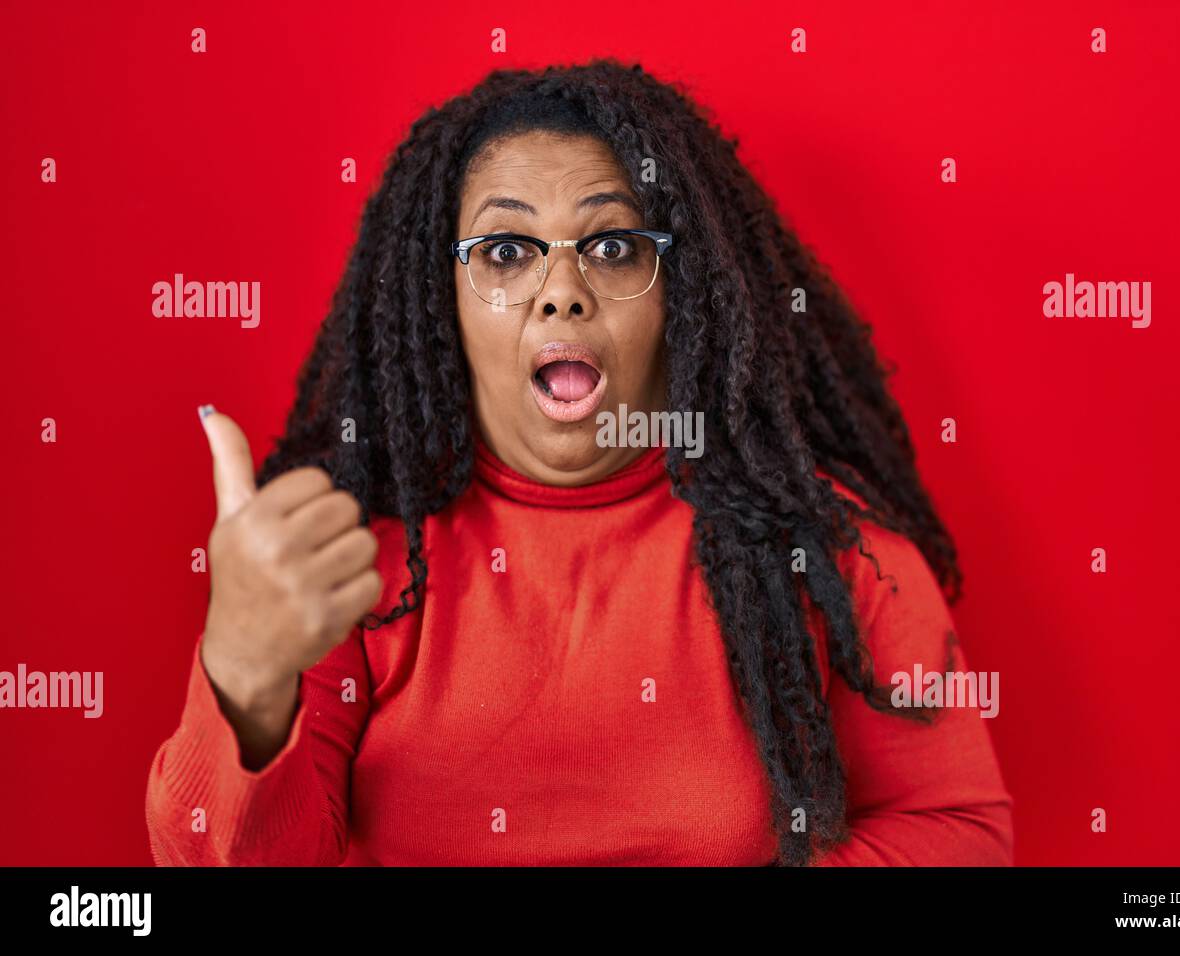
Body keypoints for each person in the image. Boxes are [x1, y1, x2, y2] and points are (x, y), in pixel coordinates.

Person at [145, 59, 1013, 866]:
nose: (562, 289)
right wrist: (247, 675)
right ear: (442, 303)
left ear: (689, 292)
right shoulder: (358, 557)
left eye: (611, 246)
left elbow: (956, 832)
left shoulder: (826, 550)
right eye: (507, 252)